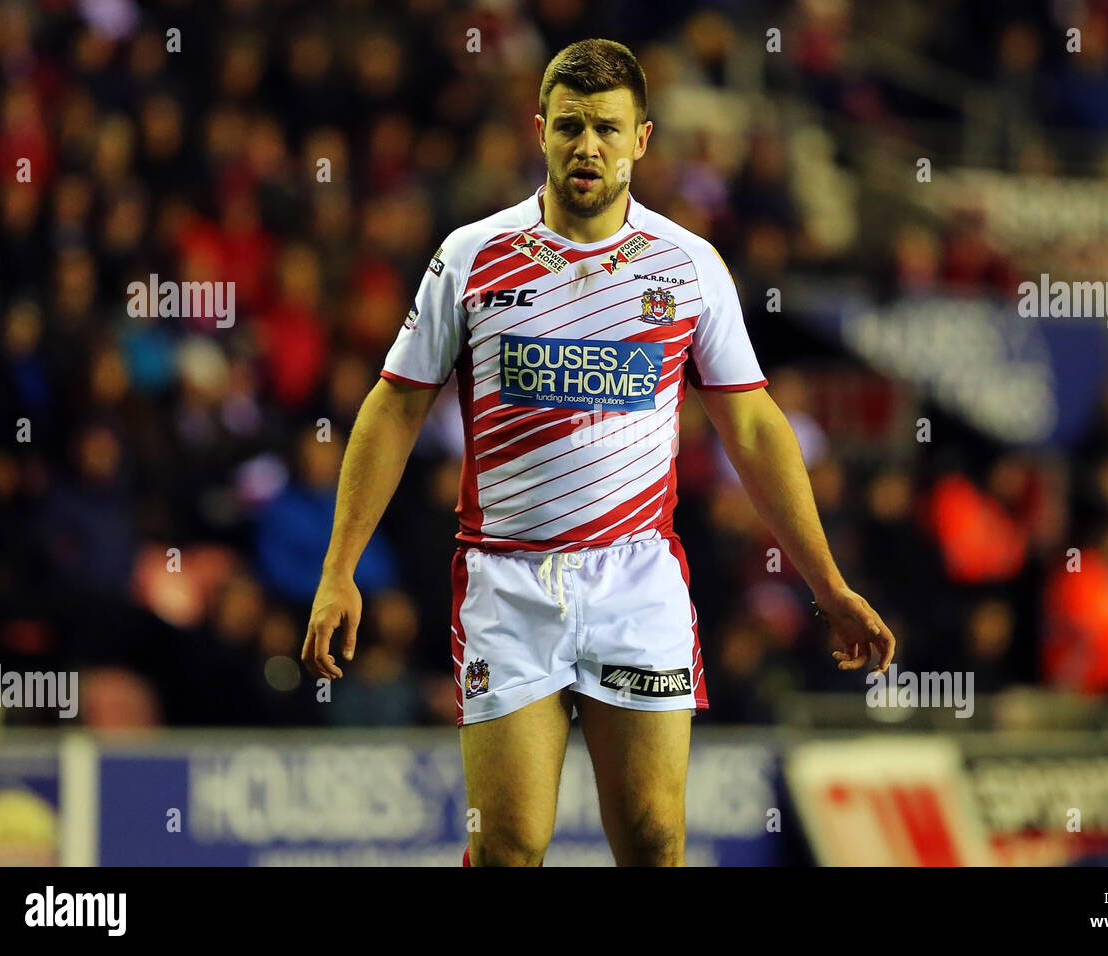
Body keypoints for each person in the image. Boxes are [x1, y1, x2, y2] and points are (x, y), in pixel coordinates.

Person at [301, 38, 896, 867]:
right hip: (508, 579)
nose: (589, 146)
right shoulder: (471, 256)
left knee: (654, 842)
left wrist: (826, 584)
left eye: (608, 129)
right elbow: (394, 407)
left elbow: (755, 429)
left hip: (635, 579)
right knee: (509, 846)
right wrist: (339, 571)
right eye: (570, 125)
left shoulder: (689, 266)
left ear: (642, 140)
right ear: (538, 128)